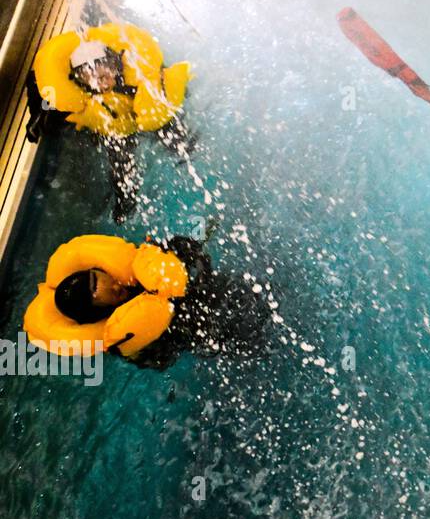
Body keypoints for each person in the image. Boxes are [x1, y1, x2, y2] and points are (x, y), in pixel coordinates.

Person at [25, 22, 194, 222]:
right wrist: (37, 118)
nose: (102, 85)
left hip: (144, 113)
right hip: (116, 130)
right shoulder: (82, 94)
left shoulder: (139, 74)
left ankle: (187, 153)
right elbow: (44, 94)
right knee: (122, 171)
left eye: (104, 76)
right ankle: (125, 203)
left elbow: (164, 82)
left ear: (115, 63)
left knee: (179, 141)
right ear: (80, 82)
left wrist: (176, 94)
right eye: (92, 81)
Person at [24, 233, 269, 370]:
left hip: (213, 293)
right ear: (96, 313)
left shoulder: (130, 274)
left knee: (254, 290)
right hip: (213, 328)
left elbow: (182, 254)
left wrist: (176, 251)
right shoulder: (127, 339)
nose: (117, 285)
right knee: (255, 340)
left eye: (108, 279)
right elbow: (164, 358)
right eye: (111, 293)